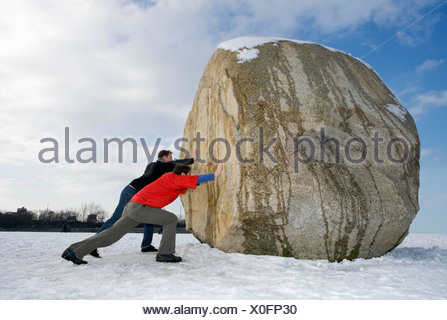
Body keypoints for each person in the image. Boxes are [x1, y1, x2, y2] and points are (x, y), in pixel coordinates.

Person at [62, 163, 223, 264]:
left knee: (111, 235)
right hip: (139, 208)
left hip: (133, 207)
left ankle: (74, 251)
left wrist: (198, 165)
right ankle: (165, 254)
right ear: (181, 174)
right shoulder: (172, 177)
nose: (187, 177)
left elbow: (191, 183)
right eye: (186, 174)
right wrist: (214, 175)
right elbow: (191, 180)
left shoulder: (174, 183)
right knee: (171, 218)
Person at [90, 150, 195, 258]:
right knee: (116, 218)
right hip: (132, 192)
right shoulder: (158, 165)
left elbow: (174, 169)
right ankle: (92, 245)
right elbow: (174, 165)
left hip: (139, 196)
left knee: (150, 218)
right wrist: (191, 160)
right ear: (164, 157)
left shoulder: (157, 167)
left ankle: (146, 245)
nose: (172, 159)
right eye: (170, 157)